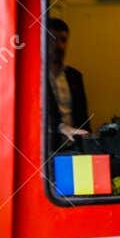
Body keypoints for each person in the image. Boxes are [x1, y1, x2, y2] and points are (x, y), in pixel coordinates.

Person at [46, 17, 91, 147]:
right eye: (52, 39)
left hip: (72, 148)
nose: (58, 45)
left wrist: (88, 145)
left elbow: (83, 116)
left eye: (63, 40)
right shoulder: (37, 76)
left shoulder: (74, 76)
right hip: (45, 149)